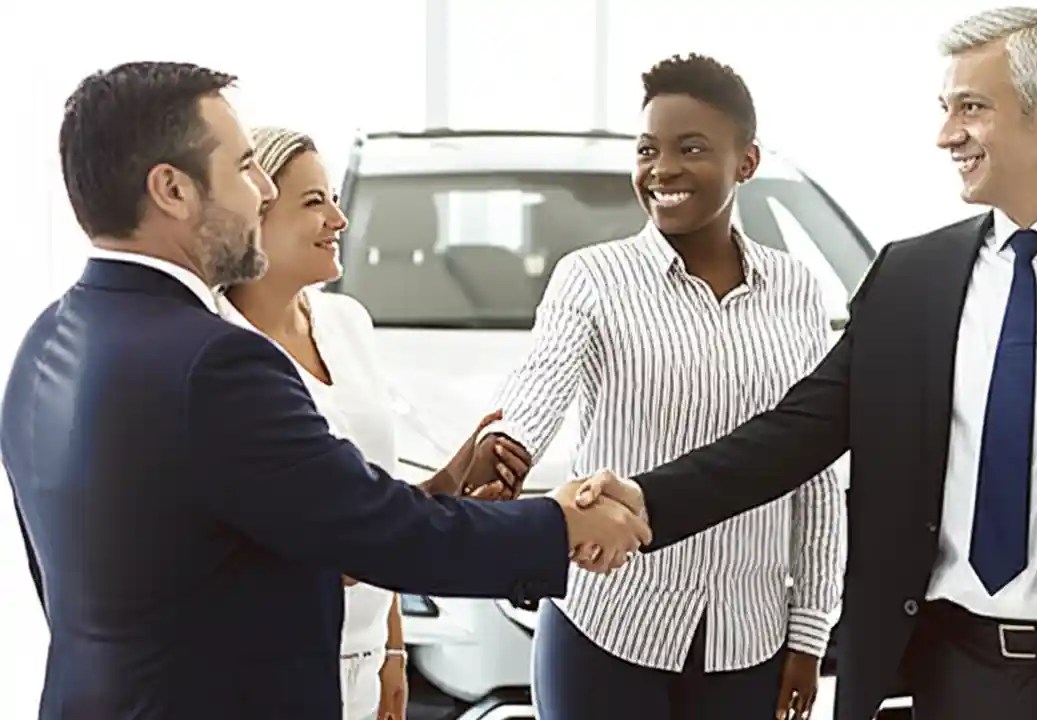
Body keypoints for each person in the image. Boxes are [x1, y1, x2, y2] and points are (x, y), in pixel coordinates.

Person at [576, 8, 1037, 720]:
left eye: (971, 108)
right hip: (947, 676)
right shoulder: (913, 275)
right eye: (945, 108)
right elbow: (796, 434)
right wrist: (645, 499)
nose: (946, 134)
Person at [0, 61, 649, 720]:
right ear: (172, 189)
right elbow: (379, 530)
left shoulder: (46, 341)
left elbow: (297, 527)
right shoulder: (214, 364)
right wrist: (560, 523)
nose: (260, 193)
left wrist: (449, 487)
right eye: (244, 168)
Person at [481, 53, 846, 720]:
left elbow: (814, 467)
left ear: (747, 162)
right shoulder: (591, 278)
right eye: (648, 149)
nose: (663, 169)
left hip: (748, 638)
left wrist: (809, 630)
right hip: (609, 624)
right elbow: (541, 380)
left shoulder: (798, 289)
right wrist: (508, 449)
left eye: (692, 148)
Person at [216, 125, 532, 720]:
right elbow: (320, 541)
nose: (339, 219)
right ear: (254, 214)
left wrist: (391, 649)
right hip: (281, 663)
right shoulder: (220, 352)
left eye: (335, 197)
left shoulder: (347, 323)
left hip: (364, 658)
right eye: (315, 202)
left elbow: (374, 507)